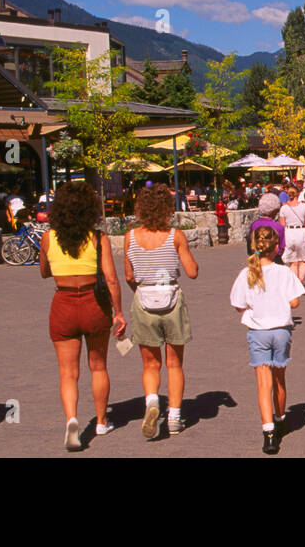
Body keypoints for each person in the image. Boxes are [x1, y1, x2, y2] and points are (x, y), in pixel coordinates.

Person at [38, 181, 126, 450]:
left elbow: (44, 271)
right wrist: (119, 312)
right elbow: (111, 279)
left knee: (67, 372)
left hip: (63, 303)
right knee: (98, 365)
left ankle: (72, 420)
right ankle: (101, 421)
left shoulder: (48, 238)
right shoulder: (99, 239)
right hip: (94, 304)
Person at [124, 185, 199, 440]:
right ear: (167, 209)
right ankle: (175, 417)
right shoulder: (175, 235)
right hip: (171, 299)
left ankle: (152, 401)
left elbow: (128, 275)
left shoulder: (130, 236)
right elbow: (192, 272)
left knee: (150, 363)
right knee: (174, 363)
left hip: (144, 298)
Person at [230, 226, 305, 455]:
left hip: (258, 331)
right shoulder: (283, 273)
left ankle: (269, 431)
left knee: (263, 383)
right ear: (276, 249)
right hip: (281, 330)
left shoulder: (247, 273)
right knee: (279, 378)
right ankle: (280, 417)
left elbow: (238, 304)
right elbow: (295, 303)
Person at [278, 190, 305, 284]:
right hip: (301, 232)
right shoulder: (304, 206)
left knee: (293, 261)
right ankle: (301, 279)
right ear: (298, 194)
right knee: (304, 259)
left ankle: (296, 282)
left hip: (289, 232)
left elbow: (282, 225)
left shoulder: (284, 208)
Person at [251, 192, 288, 260]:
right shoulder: (278, 227)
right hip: (274, 258)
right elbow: (281, 247)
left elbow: (251, 243)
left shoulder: (254, 225)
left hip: (258, 256)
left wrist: (257, 253)